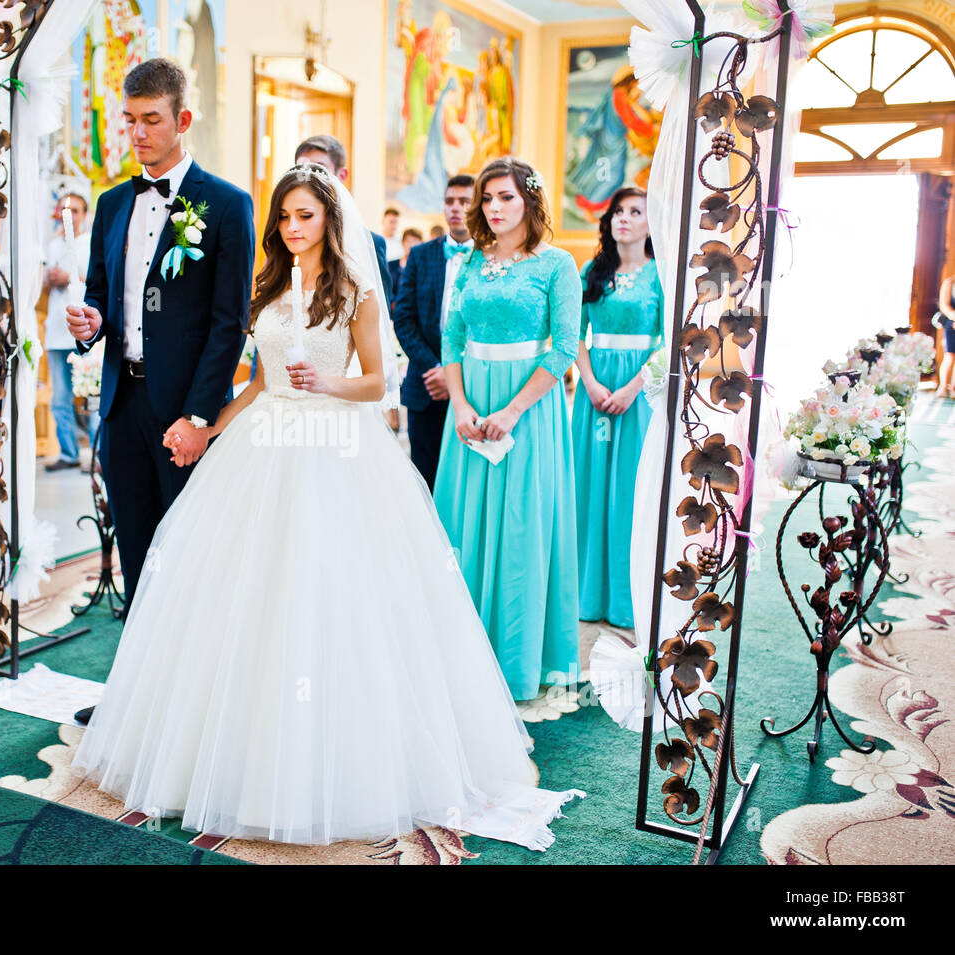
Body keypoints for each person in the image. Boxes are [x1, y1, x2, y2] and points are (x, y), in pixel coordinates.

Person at [71, 161, 583, 848]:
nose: (292, 227)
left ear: (329, 220)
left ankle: (337, 756)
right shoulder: (271, 284)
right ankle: (229, 749)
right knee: (241, 587)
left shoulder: (356, 294)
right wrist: (213, 423)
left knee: (334, 591)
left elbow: (376, 383)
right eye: (284, 216)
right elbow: (259, 378)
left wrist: (329, 386)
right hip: (263, 438)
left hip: (336, 442)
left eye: (305, 215)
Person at [65, 58, 255, 726]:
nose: (138, 133)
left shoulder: (227, 205)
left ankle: (197, 701)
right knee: (138, 548)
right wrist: (90, 322)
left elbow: (229, 323)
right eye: (131, 120)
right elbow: (98, 291)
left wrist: (200, 415)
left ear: (183, 119)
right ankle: (139, 697)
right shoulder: (114, 203)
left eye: (151, 119)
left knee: (192, 555)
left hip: (185, 414)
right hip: (121, 405)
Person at [432, 158, 581, 701]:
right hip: (469, 411)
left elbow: (564, 346)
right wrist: (461, 405)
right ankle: (460, 655)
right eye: (488, 199)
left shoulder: (558, 264)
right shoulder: (470, 260)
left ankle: (517, 661)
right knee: (464, 525)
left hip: (528, 409)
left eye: (506, 198)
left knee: (520, 528)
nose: (494, 209)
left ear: (529, 203)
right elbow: (451, 339)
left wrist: (512, 411)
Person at [572, 187, 662, 629]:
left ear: (651, 221)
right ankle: (587, 595)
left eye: (635, 211)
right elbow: (575, 335)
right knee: (590, 485)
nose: (623, 218)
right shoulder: (592, 271)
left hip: (639, 394)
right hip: (593, 395)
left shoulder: (660, 274)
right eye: (617, 212)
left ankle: (627, 599)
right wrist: (589, 383)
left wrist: (631, 388)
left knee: (629, 491)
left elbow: (669, 341)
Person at [391, 173, 473, 490]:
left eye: (464, 202)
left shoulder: (490, 256)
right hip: (425, 384)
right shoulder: (423, 254)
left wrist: (454, 372)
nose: (455, 208)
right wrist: (435, 368)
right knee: (424, 477)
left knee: (463, 480)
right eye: (450, 201)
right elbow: (404, 319)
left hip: (472, 384)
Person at [293, 136, 394, 309]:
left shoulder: (371, 244)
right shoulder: (289, 237)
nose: (308, 179)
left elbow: (380, 315)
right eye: (301, 170)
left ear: (342, 175)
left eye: (318, 169)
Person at [42, 192, 95, 471]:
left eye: (75, 210)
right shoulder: (52, 246)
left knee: (92, 392)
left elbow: (100, 282)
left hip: (86, 328)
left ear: (84, 215)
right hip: (56, 328)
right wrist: (50, 280)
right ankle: (68, 452)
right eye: (65, 210)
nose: (70, 215)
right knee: (60, 395)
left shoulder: (91, 243)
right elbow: (44, 287)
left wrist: (70, 277)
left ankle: (97, 453)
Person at [937, 273, 955, 398]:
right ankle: (943, 386)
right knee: (950, 355)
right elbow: (944, 305)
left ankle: (953, 388)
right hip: (951, 322)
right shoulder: (950, 282)